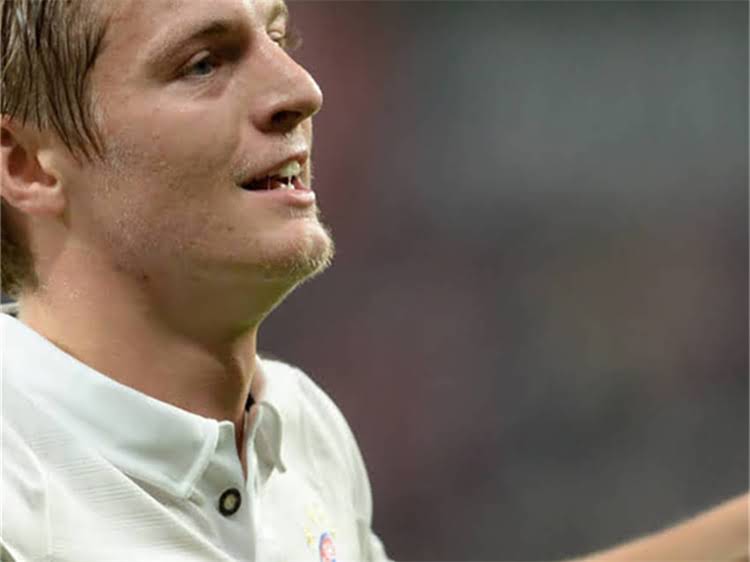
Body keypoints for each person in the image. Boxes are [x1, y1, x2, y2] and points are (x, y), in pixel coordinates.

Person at [0, 1, 746, 561]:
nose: (301, 89)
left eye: (280, 39)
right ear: (27, 165)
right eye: (203, 64)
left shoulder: (301, 427)